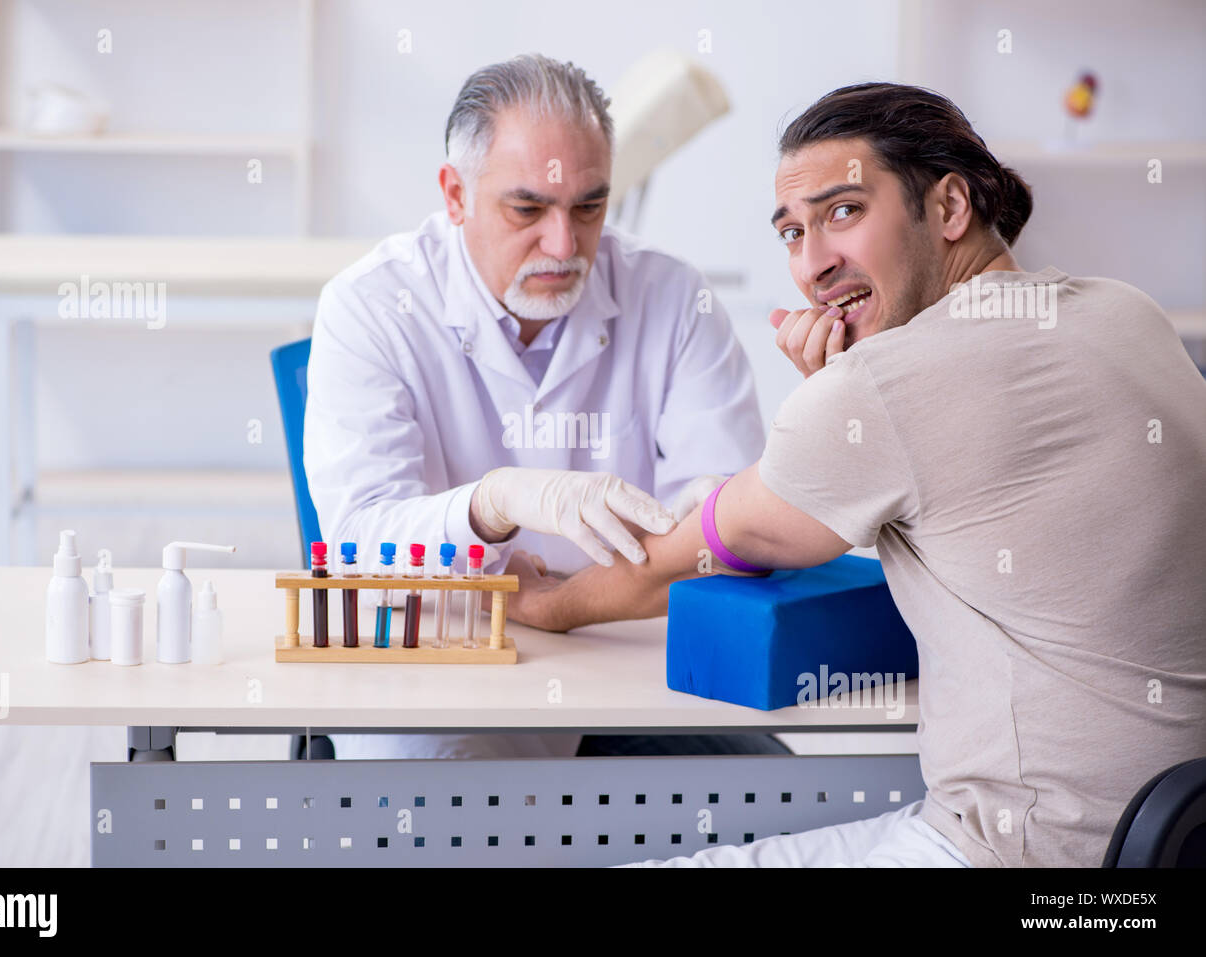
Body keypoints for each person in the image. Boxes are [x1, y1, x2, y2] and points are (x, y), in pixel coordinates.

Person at [507, 82, 1206, 867]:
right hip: (1170, 839)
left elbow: (687, 556)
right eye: (791, 232)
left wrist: (546, 602)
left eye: (843, 212)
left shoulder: (890, 385)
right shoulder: (1126, 311)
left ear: (948, 208)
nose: (813, 265)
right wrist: (849, 402)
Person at [301, 54, 765, 760]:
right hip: (437, 671)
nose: (564, 244)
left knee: (776, 801)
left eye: (589, 207)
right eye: (527, 209)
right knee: (441, 799)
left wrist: (563, 603)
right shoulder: (369, 306)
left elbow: (731, 534)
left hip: (626, 663)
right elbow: (360, 546)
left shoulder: (673, 299)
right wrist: (494, 502)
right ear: (455, 195)